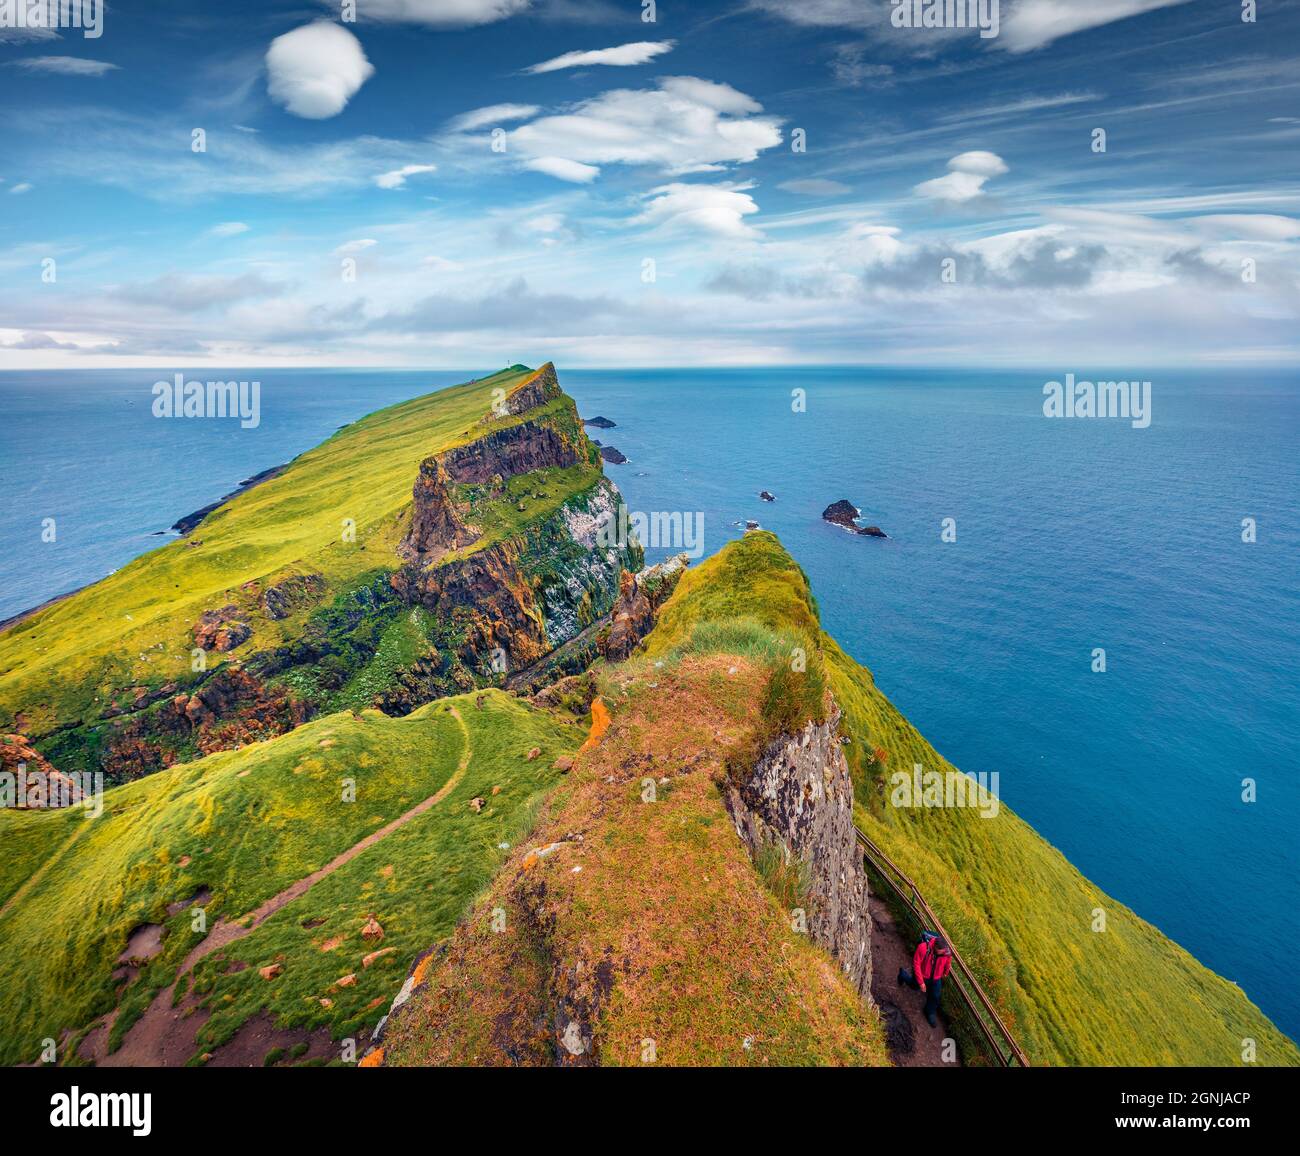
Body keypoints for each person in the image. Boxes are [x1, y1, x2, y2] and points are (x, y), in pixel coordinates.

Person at [898, 931, 953, 1027]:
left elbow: (948, 962)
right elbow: (916, 964)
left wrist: (946, 972)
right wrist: (921, 982)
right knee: (913, 986)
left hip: (936, 977)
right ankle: (903, 974)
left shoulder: (946, 952)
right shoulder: (923, 947)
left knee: (935, 995)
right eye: (942, 951)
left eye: (945, 950)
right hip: (922, 975)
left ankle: (929, 1012)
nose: (945, 952)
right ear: (936, 947)